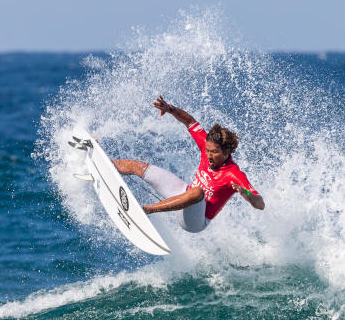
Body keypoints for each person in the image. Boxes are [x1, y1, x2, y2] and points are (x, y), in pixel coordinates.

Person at [113, 95, 264, 233]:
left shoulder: (233, 174)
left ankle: (145, 210)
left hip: (195, 221)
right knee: (138, 166)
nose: (209, 155)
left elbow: (260, 204)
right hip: (183, 195)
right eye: (207, 151)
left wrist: (247, 194)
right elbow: (190, 122)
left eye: (214, 152)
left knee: (198, 192)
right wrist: (170, 109)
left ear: (226, 152)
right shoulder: (208, 148)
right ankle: (107, 163)